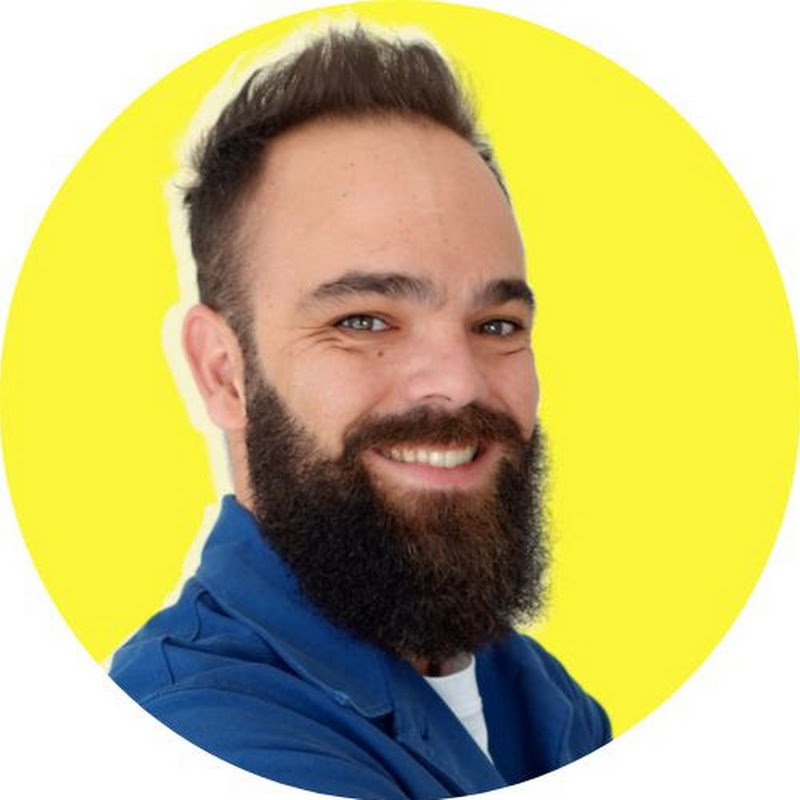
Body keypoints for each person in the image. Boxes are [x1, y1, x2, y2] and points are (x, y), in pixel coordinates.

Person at [110, 24, 611, 798]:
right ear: (223, 373)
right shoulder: (198, 737)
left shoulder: (542, 696)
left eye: (496, 325)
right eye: (365, 321)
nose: (458, 384)